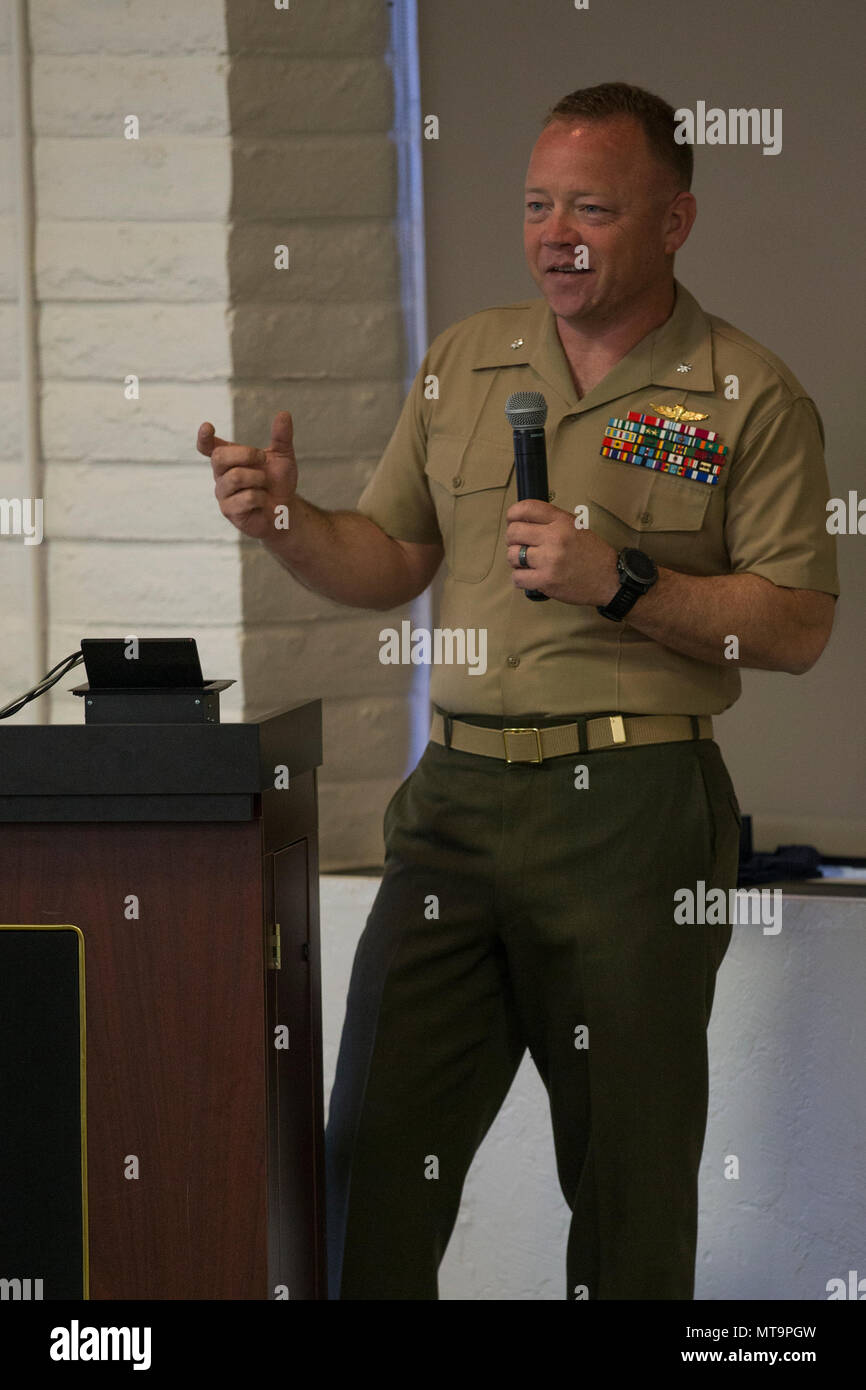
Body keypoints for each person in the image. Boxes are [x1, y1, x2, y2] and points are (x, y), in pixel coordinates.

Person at [197, 82, 838, 1300]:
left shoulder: (741, 393)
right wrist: (283, 520)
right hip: (454, 802)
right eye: (537, 203)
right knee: (370, 1152)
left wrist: (622, 579)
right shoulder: (466, 362)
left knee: (623, 1179)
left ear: (673, 221)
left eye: (591, 206)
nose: (555, 232)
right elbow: (386, 559)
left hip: (634, 810)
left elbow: (796, 627)